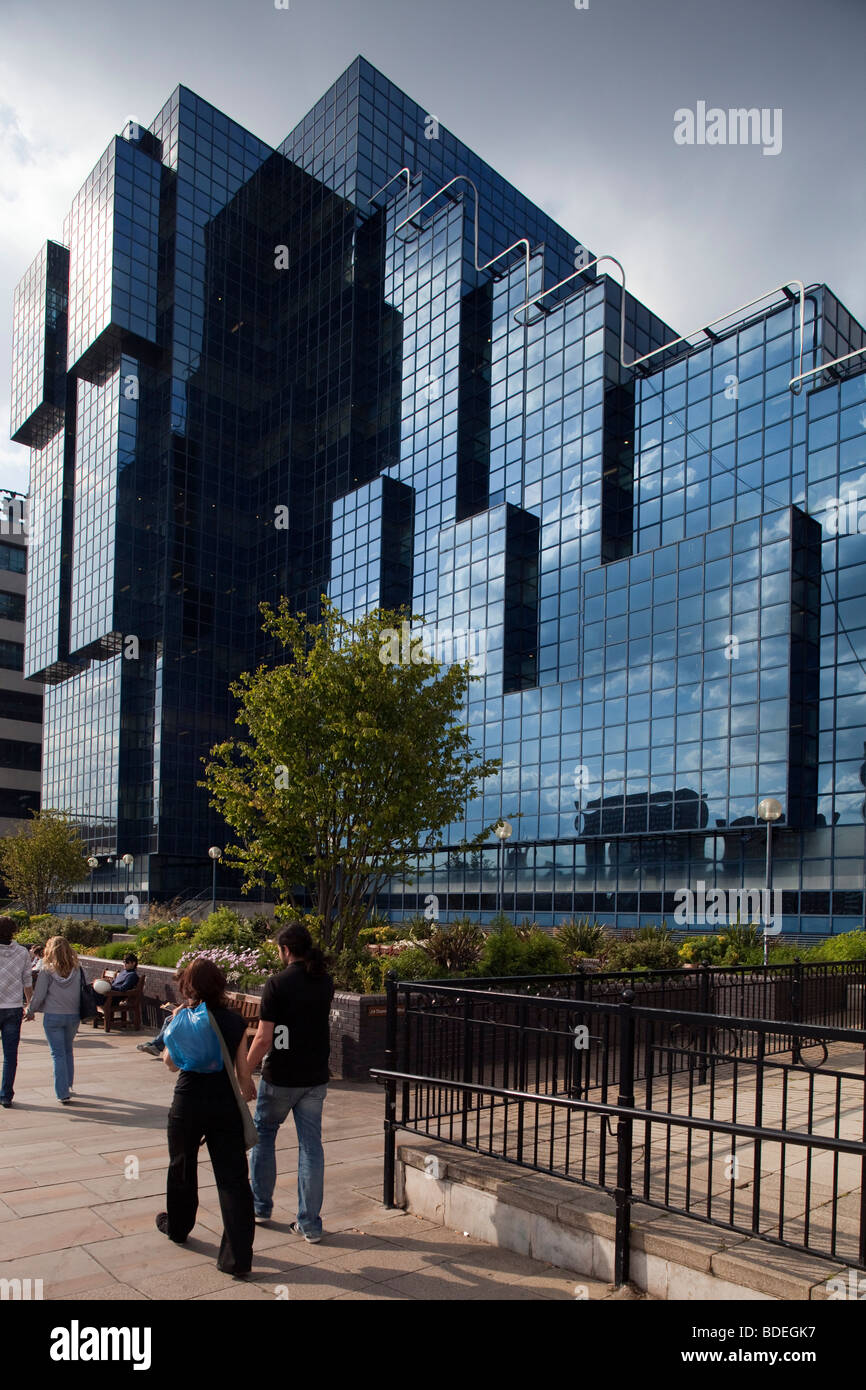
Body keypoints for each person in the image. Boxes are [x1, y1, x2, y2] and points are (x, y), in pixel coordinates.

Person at [156, 958, 256, 1278]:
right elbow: (242, 1073)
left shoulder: (182, 1017)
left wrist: (174, 1027)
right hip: (224, 1103)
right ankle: (237, 1258)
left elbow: (170, 1063)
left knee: (182, 1166)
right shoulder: (235, 1021)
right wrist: (248, 1088)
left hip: (188, 1101)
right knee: (234, 1181)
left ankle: (178, 1227)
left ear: (189, 986)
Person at [246, 923, 334, 1241]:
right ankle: (310, 1225)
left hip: (281, 1076)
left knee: (264, 1136)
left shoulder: (276, 984)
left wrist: (243, 1072)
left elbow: (263, 1038)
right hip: (314, 1076)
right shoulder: (324, 981)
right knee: (311, 1148)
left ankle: (260, 1207)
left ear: (285, 950)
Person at [23, 936, 81, 1104]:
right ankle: (68, 1084)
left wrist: (30, 1010)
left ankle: (62, 1092)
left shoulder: (47, 970)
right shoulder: (77, 969)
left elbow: (39, 994)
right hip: (73, 1015)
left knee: (57, 1054)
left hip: (53, 1016)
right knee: (68, 1049)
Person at [0, 917, 33, 1108]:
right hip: (13, 1007)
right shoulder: (22, 952)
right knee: (10, 1055)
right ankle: (6, 1095)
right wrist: (30, 1005)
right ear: (14, 931)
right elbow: (27, 981)